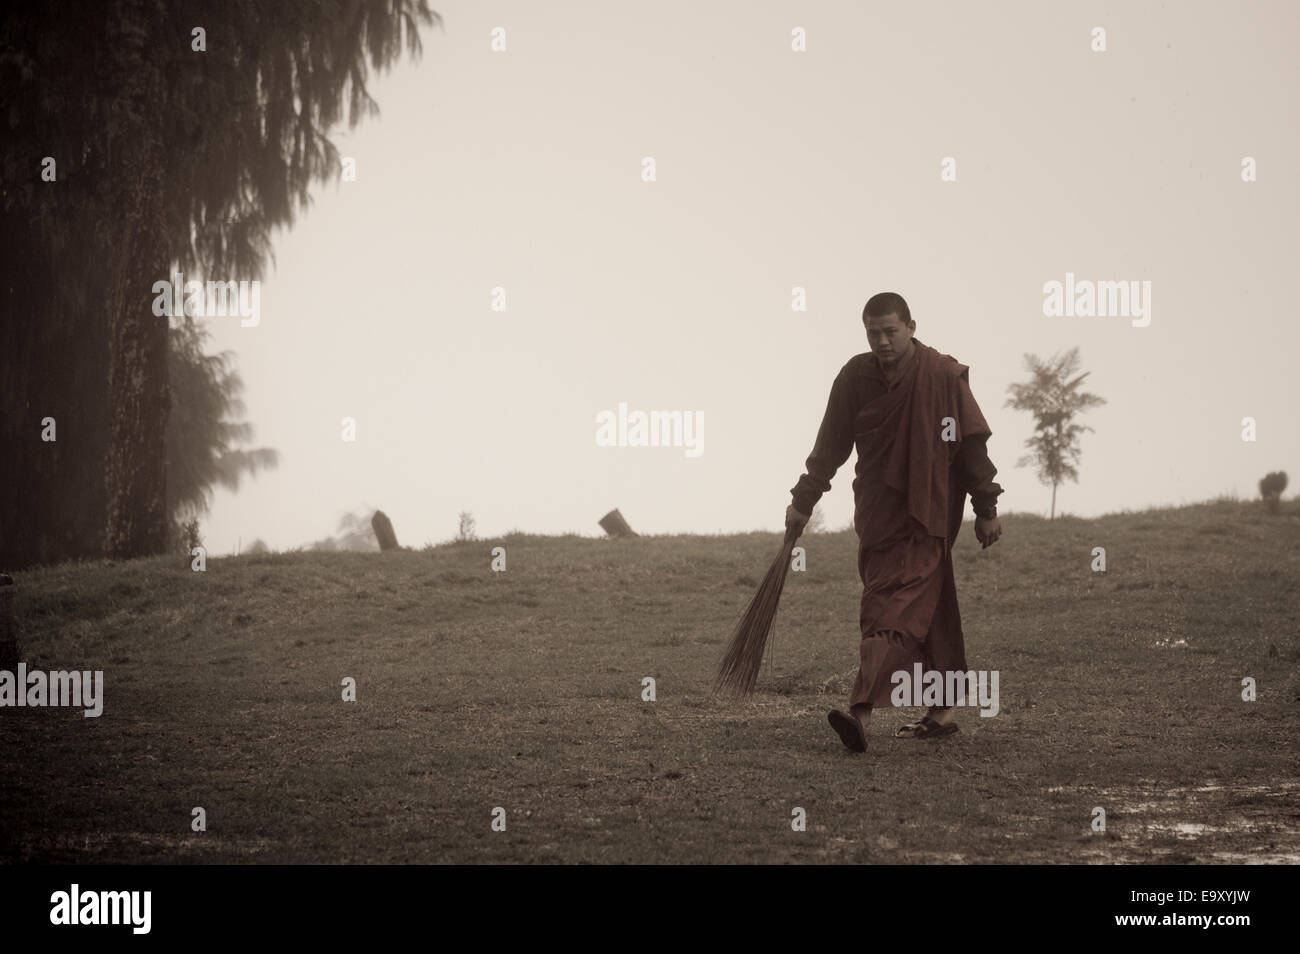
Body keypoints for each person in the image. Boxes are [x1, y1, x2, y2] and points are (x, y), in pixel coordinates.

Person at [786, 292, 1003, 753]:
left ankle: (860, 711)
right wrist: (804, 499)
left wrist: (986, 508)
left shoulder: (941, 376)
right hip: (878, 513)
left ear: (911, 327)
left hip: (928, 514)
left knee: (895, 613)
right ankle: (942, 712)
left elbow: (968, 446)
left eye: (891, 331)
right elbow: (830, 444)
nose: (882, 341)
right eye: (873, 333)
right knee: (918, 603)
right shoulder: (855, 378)